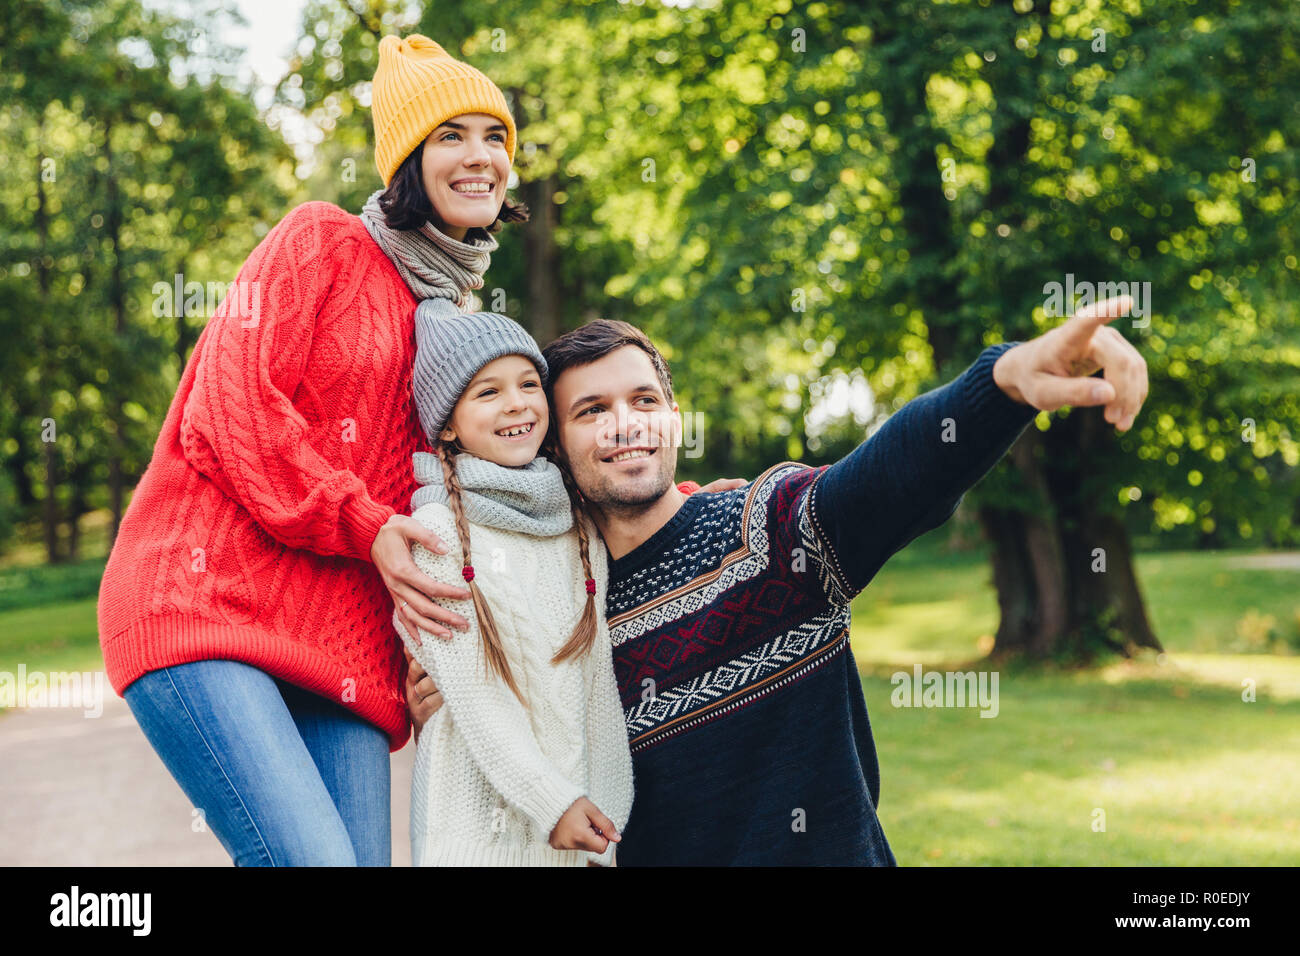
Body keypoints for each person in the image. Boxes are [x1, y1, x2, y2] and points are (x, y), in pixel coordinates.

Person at [406, 296, 1149, 864]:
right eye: (591, 410)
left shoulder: (770, 530)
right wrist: (441, 692)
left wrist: (1003, 383)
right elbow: (495, 726)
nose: (624, 424)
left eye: (644, 401)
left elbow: (893, 474)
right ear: (557, 447)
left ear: (672, 417)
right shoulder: (564, 602)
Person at [97, 33, 525, 866]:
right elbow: (230, 406)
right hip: (204, 605)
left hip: (347, 650)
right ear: (406, 158)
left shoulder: (458, 329)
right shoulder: (321, 242)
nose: (480, 157)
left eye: (495, 137)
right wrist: (363, 524)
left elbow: (501, 482)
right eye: (451, 135)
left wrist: (685, 503)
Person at [393, 298, 633, 866]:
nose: (517, 404)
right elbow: (476, 701)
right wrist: (554, 803)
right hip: (477, 833)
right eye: (488, 392)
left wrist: (609, 812)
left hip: (576, 834)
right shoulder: (434, 536)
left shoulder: (577, 527)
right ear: (447, 425)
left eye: (528, 384)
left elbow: (597, 684)